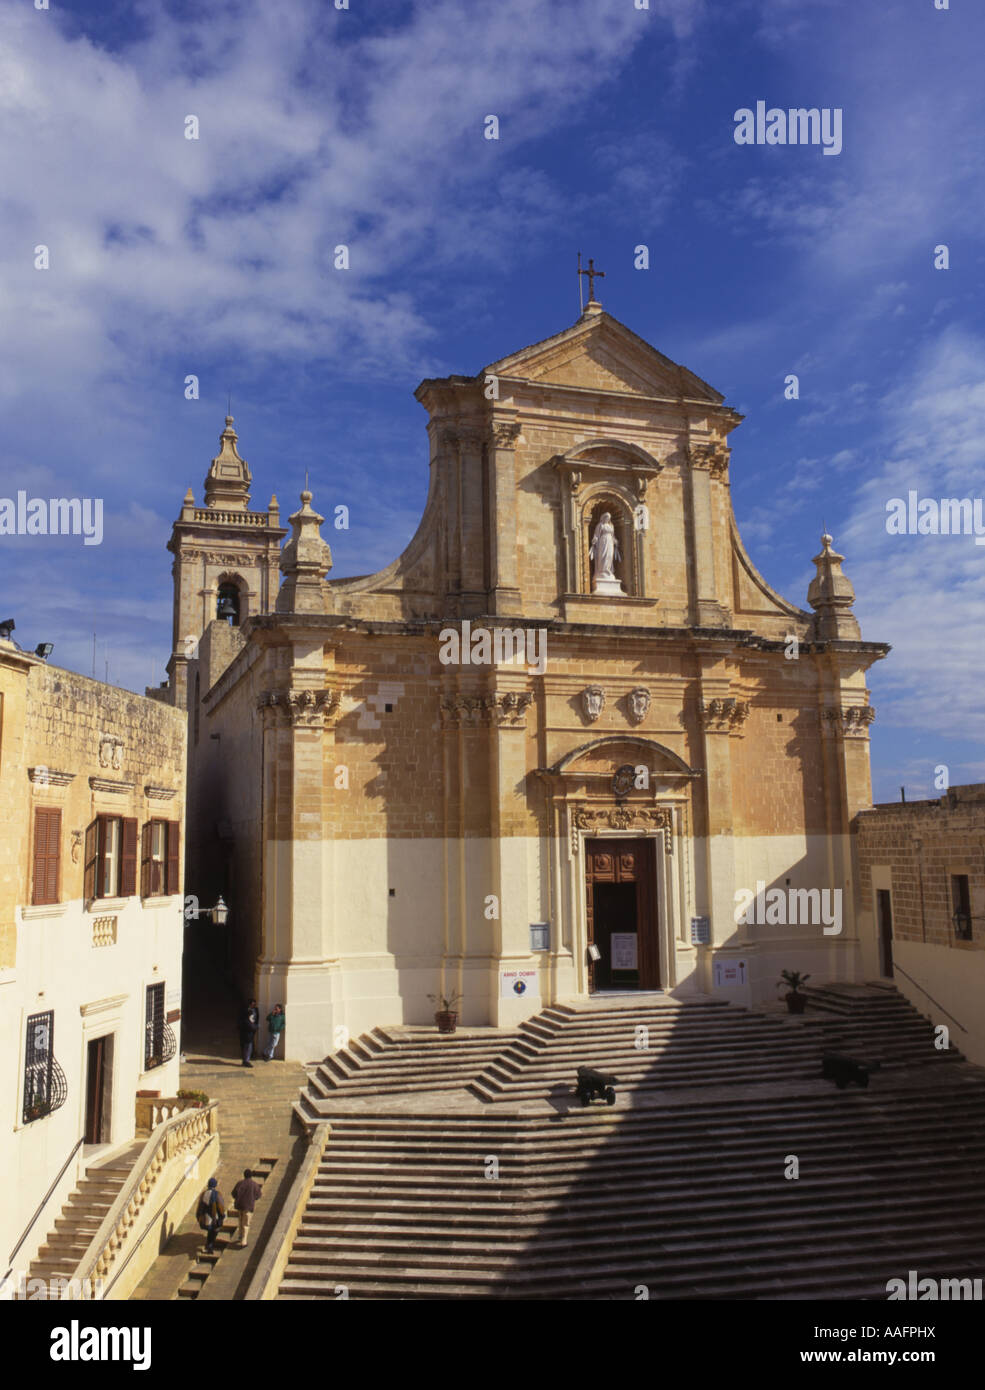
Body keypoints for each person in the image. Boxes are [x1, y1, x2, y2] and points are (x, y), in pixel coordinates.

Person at [230, 1168, 263, 1248]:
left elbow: (233, 1193)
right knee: (246, 1224)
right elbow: (258, 1195)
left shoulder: (240, 1183)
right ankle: (243, 1242)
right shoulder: (254, 1184)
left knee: (240, 1220)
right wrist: (252, 1198)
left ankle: (240, 1235)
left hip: (239, 1205)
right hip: (248, 1206)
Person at [196, 1176, 226, 1254]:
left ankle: (209, 1246)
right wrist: (222, 1216)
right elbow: (220, 1206)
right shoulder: (217, 1194)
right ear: (215, 1185)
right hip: (214, 1218)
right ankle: (210, 1246)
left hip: (206, 1218)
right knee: (214, 1232)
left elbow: (200, 1206)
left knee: (210, 1231)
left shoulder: (203, 1194)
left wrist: (198, 1216)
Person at [239, 998, 259, 1067]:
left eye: (254, 1004)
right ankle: (246, 1061)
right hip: (246, 1031)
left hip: (252, 1030)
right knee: (247, 1046)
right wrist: (253, 1027)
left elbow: (257, 1019)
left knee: (250, 1045)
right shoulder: (245, 1010)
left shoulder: (256, 1010)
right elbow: (244, 1021)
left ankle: (248, 1058)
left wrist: (255, 1026)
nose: (253, 1005)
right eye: (252, 1004)